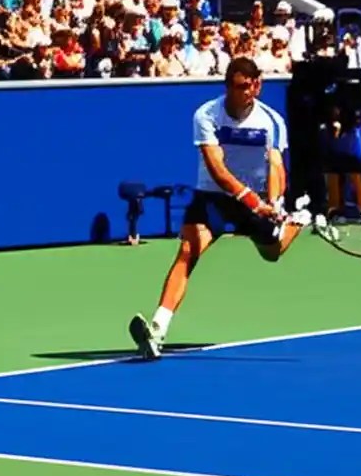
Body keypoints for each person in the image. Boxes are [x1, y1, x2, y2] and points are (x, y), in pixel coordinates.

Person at [128, 57, 314, 360]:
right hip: (213, 198)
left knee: (273, 253)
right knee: (189, 251)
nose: (248, 92)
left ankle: (298, 220)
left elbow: (276, 166)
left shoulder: (272, 121)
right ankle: (157, 331)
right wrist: (253, 201)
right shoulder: (207, 115)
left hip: (256, 200)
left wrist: (275, 202)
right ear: (229, 86)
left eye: (253, 85)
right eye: (241, 86)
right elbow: (218, 169)